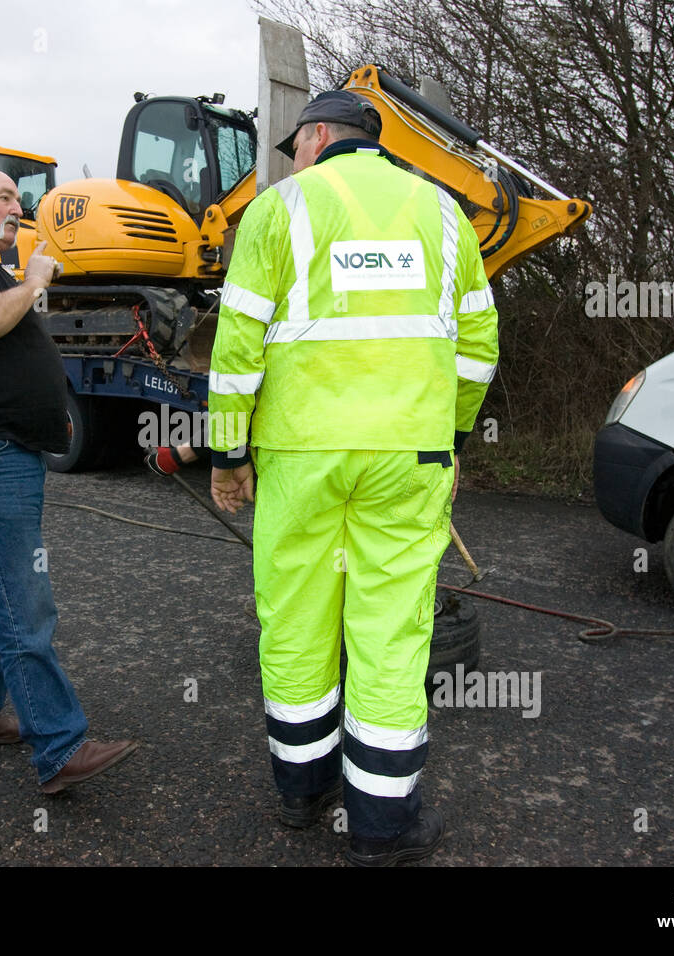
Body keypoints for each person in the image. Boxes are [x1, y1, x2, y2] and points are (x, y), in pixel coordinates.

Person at [208, 91, 499, 865]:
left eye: (293, 146)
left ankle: (303, 793)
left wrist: (228, 455)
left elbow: (237, 346)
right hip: (409, 456)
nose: (292, 158)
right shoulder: (443, 215)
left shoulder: (279, 211)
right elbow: (477, 348)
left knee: (296, 620)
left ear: (319, 137)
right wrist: (454, 437)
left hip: (302, 456)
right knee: (391, 633)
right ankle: (383, 827)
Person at [0, 168, 138, 794]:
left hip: (1, 457)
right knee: (23, 604)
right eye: (5, 198)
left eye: (19, 197)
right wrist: (34, 280)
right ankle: (59, 747)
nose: (18, 207)